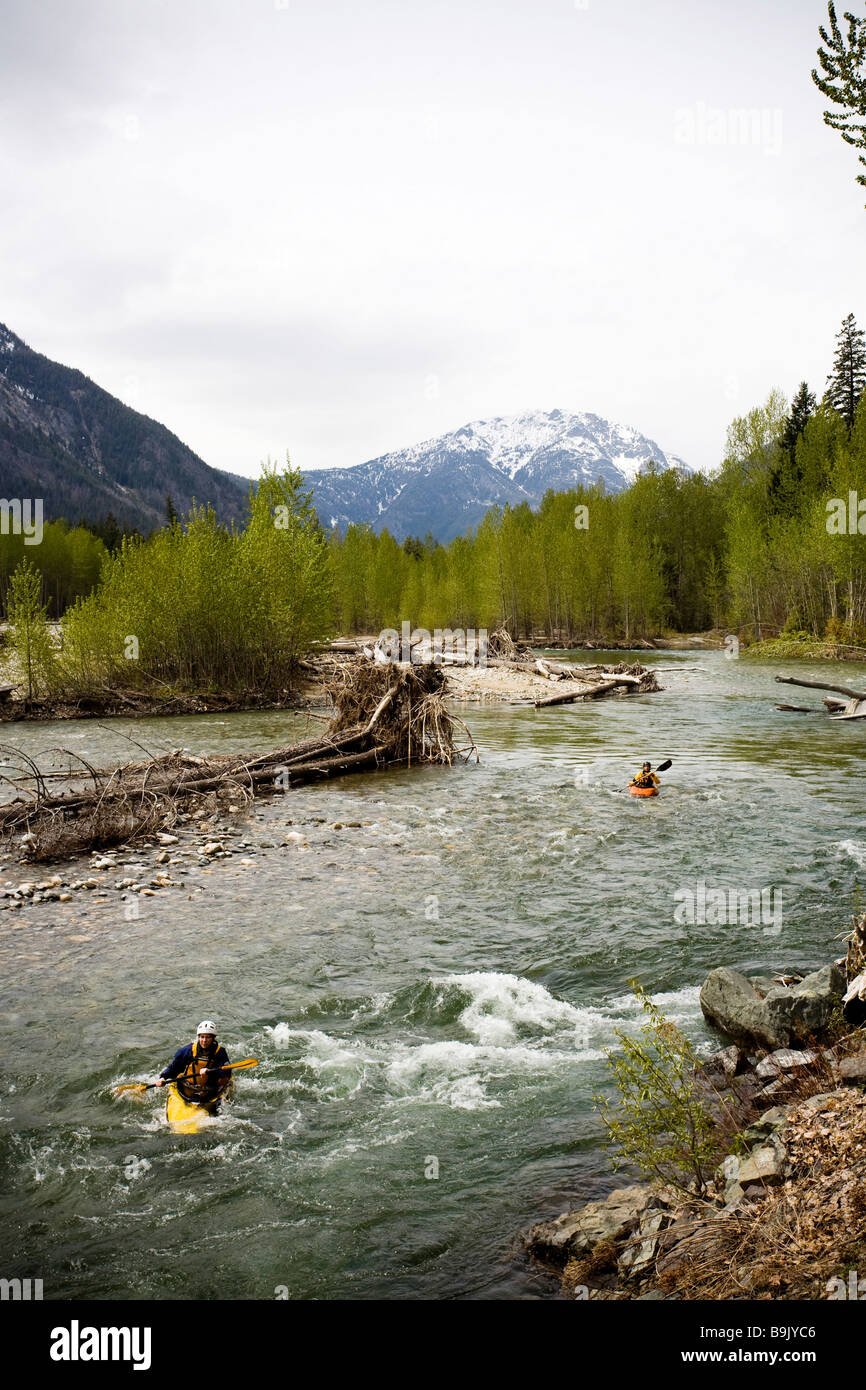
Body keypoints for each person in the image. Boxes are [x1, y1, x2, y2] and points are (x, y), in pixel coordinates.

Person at [155, 1021, 231, 1111]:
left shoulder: (220, 1052)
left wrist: (211, 1071)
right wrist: (163, 1077)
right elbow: (174, 1068)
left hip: (210, 1088)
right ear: (198, 1037)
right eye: (202, 1037)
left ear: (213, 1038)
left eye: (208, 1037)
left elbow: (227, 1075)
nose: (204, 1041)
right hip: (188, 1086)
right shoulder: (188, 1051)